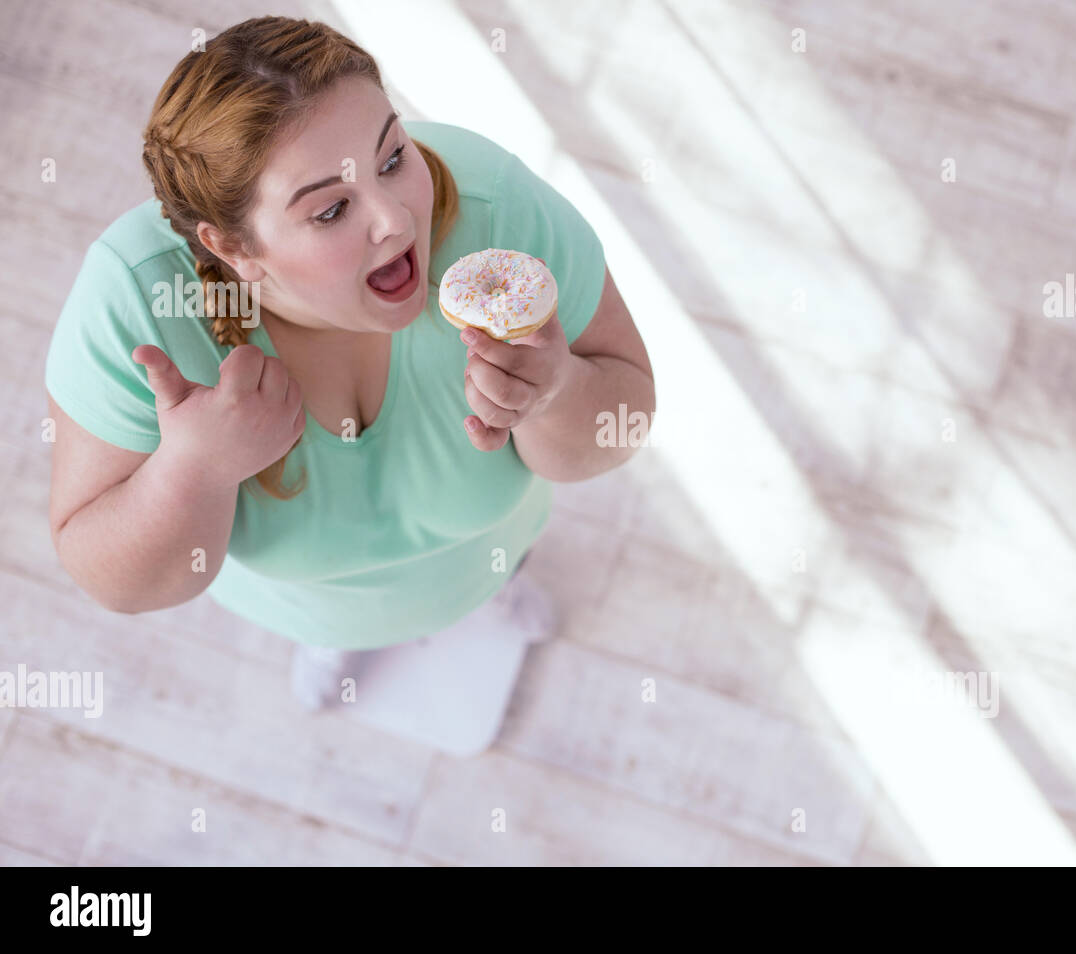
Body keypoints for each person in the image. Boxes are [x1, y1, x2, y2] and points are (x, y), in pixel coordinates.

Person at [45, 17, 655, 715]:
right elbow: (119, 583)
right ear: (232, 247)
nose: (396, 219)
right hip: (306, 603)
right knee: (333, 629)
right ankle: (334, 646)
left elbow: (625, 418)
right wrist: (194, 468)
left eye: (393, 157)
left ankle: (497, 591)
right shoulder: (134, 302)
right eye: (332, 209)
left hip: (485, 551)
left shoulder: (496, 211)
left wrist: (556, 391)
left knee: (499, 567)